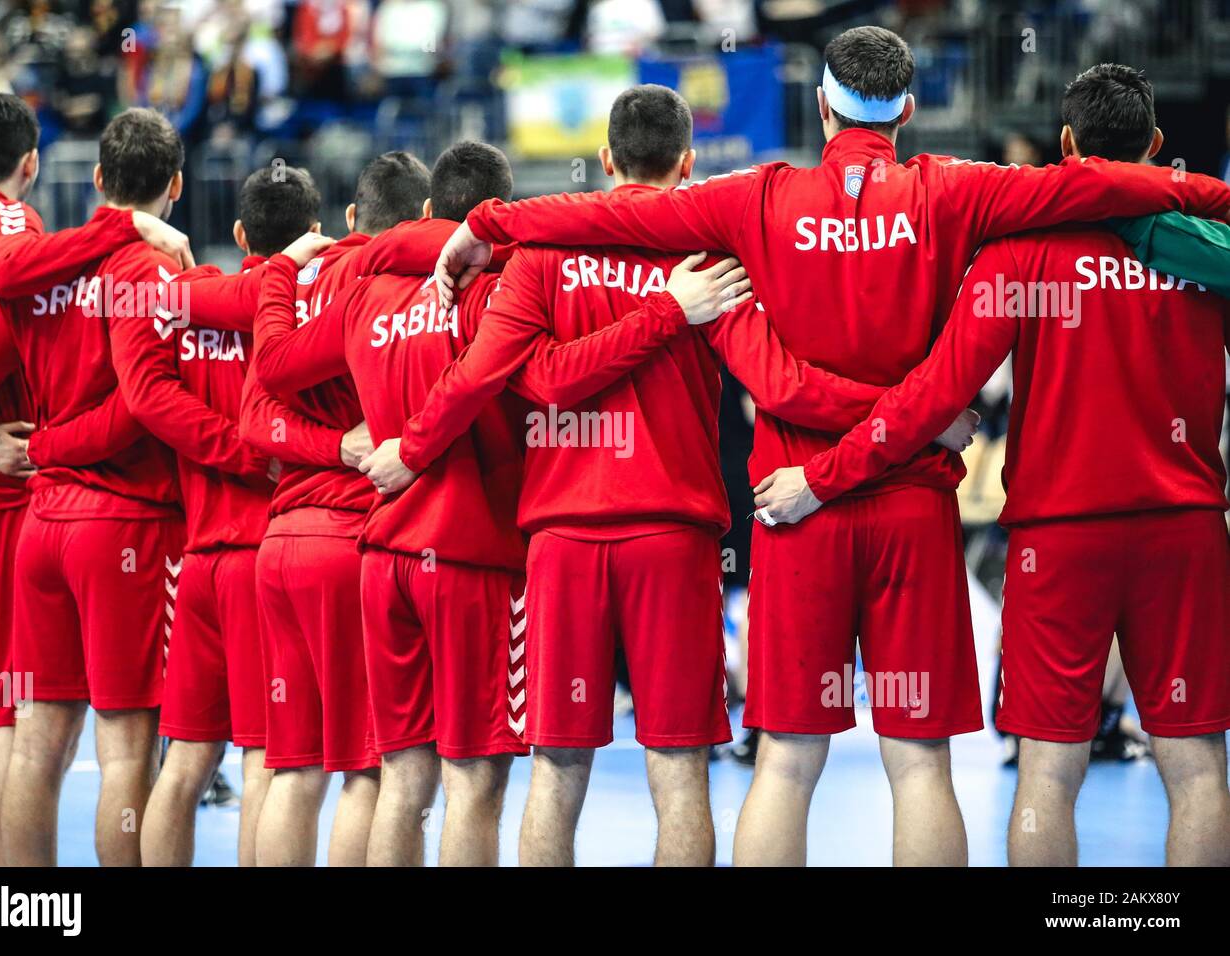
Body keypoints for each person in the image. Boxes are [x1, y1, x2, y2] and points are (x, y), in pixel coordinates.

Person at [427, 26, 1230, 865]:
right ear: (909, 110)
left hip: (792, 509)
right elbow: (1097, 188)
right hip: (914, 504)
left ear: (820, 106)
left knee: (786, 760)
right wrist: (1212, 197)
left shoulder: (752, 200)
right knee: (921, 763)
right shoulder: (959, 192)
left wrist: (489, 221)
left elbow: (607, 212)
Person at [359, 85, 976, 865]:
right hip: (674, 541)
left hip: (561, 541)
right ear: (687, 166)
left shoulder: (544, 256)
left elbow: (538, 381)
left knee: (555, 768)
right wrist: (918, 412)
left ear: (607, 160)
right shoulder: (711, 264)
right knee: (680, 768)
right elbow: (784, 385)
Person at [774, 65, 1230, 867]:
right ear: (1157, 148)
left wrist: (823, 476)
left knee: (1050, 770)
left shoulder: (1019, 256)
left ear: (1064, 147)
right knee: (1195, 767)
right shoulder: (1211, 256)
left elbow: (929, 397)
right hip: (1186, 532)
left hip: (1057, 541)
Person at [0, 91, 188, 865]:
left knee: (22, 730)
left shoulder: (34, 276)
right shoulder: (40, 239)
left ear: (96, 174)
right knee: (112, 747)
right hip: (90, 519)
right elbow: (147, 407)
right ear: (174, 186)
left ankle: (22, 911)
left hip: (24, 517)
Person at [134, 166, 345, 866]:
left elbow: (153, 396)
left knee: (186, 763)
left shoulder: (188, 301)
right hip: (266, 557)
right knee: (271, 759)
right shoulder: (304, 308)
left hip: (197, 562)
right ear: (317, 234)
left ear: (236, 233)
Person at [238, 151, 430, 867]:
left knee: (292, 767)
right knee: (368, 771)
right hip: (348, 545)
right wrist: (344, 449)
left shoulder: (289, 284)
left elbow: (254, 421)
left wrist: (316, 445)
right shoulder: (390, 285)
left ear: (350, 217)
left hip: (279, 544)